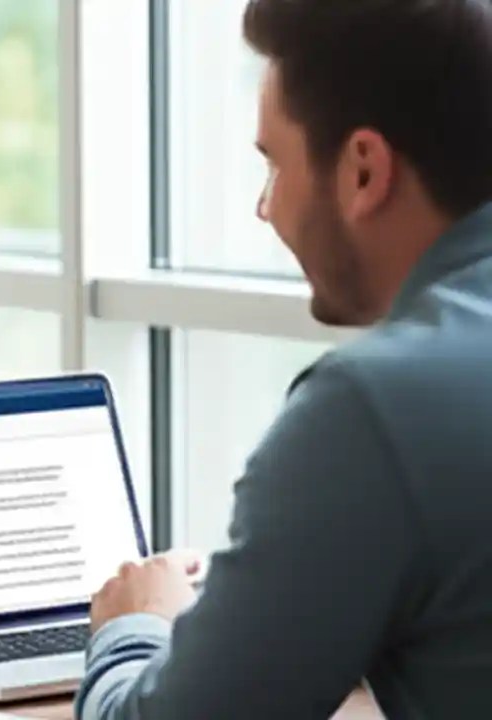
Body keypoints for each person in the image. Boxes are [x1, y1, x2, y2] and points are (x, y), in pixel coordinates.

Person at [78, 1, 492, 718]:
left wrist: (133, 625)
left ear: (363, 171)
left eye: (273, 162)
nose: (266, 209)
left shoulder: (374, 407)